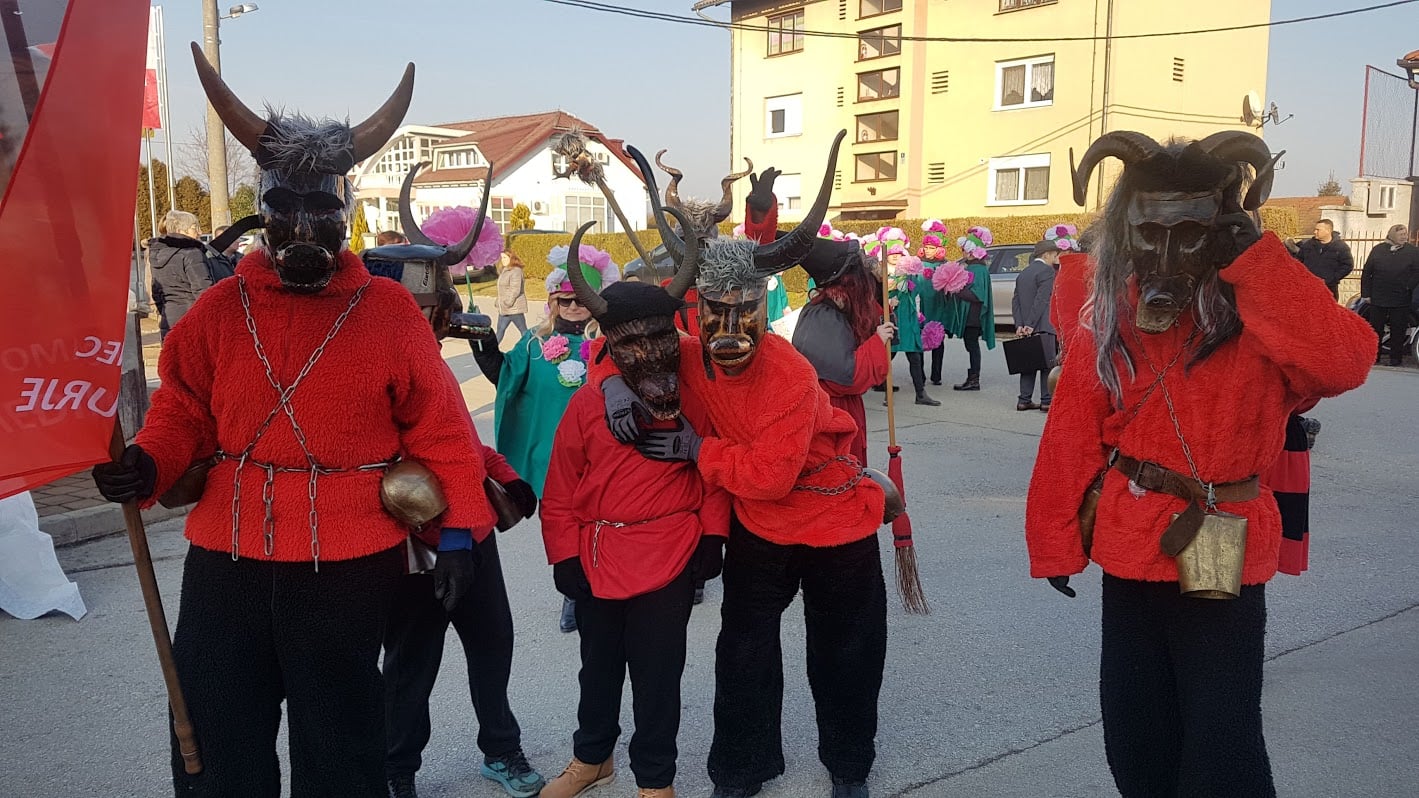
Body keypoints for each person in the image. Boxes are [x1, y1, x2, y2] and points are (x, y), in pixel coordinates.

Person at [92, 52, 497, 797]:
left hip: (347, 565)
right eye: (286, 215)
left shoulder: (387, 314)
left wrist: (458, 534)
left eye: (323, 216)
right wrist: (147, 463)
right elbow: (182, 404)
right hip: (227, 559)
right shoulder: (217, 310)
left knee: (340, 740)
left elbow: (441, 427)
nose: (304, 230)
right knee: (216, 731)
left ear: (345, 215)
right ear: (263, 214)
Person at [1028, 130, 1376, 798]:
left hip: (1224, 540)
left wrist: (1259, 265)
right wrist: (1056, 540)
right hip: (1130, 543)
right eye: (1147, 231)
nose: (1163, 251)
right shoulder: (1108, 312)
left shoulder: (1263, 309)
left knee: (1221, 740)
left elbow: (1344, 361)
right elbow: (1071, 431)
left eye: (1188, 231)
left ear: (1221, 227)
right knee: (1134, 732)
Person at [613, 130, 888, 798]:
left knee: (845, 654)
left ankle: (848, 767)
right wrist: (617, 381)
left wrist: (696, 449)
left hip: (834, 524)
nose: (727, 329)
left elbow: (765, 475)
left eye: (743, 311)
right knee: (741, 653)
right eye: (714, 312)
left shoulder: (790, 373)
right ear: (697, 307)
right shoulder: (687, 350)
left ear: (763, 307)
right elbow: (637, 344)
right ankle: (742, 767)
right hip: (761, 530)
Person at [363, 194, 547, 798]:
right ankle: (396, 771)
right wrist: (445, 535)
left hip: (471, 536)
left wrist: (505, 472)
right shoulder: (368, 375)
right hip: (417, 547)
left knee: (493, 646)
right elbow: (398, 475)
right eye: (417, 309)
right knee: (411, 665)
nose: (432, 322)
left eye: (435, 308)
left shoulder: (435, 365)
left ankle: (501, 748)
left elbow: (460, 446)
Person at [539, 229, 728, 798]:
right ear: (610, 345)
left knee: (657, 675)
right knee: (596, 668)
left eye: (660, 337)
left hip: (670, 553)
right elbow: (561, 489)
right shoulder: (587, 402)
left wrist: (711, 538)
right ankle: (591, 758)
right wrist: (563, 556)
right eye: (631, 343)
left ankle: (655, 779)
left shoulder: (694, 393)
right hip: (598, 557)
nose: (649, 353)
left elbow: (712, 473)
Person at [471, 244, 619, 634]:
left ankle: (602, 584)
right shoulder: (535, 345)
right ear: (552, 301)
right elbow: (504, 379)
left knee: (599, 521)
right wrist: (483, 343)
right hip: (550, 459)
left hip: (599, 456)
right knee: (562, 525)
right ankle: (573, 593)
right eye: (563, 299)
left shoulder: (609, 346)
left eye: (580, 299)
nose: (572, 306)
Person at [791, 237, 892, 465]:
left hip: (843, 409)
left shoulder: (838, 308)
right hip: (830, 414)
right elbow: (847, 377)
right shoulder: (823, 316)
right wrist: (877, 342)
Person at [1011, 225, 1076, 412]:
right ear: (1046, 255)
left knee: (1027, 364)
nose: (1057, 259)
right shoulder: (1047, 272)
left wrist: (1020, 324)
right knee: (1046, 365)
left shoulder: (1024, 273)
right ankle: (1046, 401)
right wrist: (1031, 324)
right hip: (1043, 325)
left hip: (1024, 326)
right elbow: (1042, 300)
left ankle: (1024, 400)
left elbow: (1016, 301)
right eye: (1055, 255)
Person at [1359, 223, 1419, 366]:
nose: (1404, 237)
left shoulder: (1412, 252)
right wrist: (1366, 293)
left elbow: (1417, 272)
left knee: (1398, 329)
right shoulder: (1378, 250)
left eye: (1405, 234)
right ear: (1392, 235)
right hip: (1378, 296)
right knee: (1375, 329)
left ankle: (1395, 359)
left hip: (1401, 297)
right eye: (1401, 235)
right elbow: (1367, 272)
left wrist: (1408, 286)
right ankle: (1374, 357)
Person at [945, 226, 996, 391]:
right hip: (972, 315)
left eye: (965, 251)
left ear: (972, 252)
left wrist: (957, 289)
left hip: (973, 316)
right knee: (971, 345)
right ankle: (973, 377)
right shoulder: (975, 268)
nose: (963, 253)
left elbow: (977, 295)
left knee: (972, 345)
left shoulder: (978, 270)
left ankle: (974, 379)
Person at [147, 210, 210, 338]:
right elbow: (204, 292)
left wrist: (165, 312)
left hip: (168, 320)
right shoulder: (192, 253)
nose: (200, 232)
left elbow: (156, 292)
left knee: (172, 356)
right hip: (193, 320)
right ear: (182, 230)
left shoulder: (156, 254)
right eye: (195, 228)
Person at [917, 220, 952, 385]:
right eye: (927, 247)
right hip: (922, 307)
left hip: (939, 307)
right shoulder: (918, 265)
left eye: (932, 248)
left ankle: (936, 375)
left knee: (938, 342)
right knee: (920, 342)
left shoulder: (945, 265)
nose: (928, 251)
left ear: (939, 249)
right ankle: (920, 375)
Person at [1295, 219, 1354, 299]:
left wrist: (1332, 278)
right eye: (1315, 229)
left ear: (1328, 230)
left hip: (1329, 289)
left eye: (1318, 230)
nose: (1315, 232)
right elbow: (1297, 263)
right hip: (1308, 288)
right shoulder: (1308, 245)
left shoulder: (1341, 247)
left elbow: (1348, 265)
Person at [494, 252, 529, 341]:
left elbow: (515, 289)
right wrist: (498, 301)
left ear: (511, 258)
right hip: (504, 309)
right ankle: (491, 351)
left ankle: (531, 349)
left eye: (505, 258)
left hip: (514, 308)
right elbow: (502, 290)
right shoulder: (505, 270)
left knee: (523, 331)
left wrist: (508, 302)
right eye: (502, 258)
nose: (503, 260)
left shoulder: (516, 271)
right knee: (500, 331)